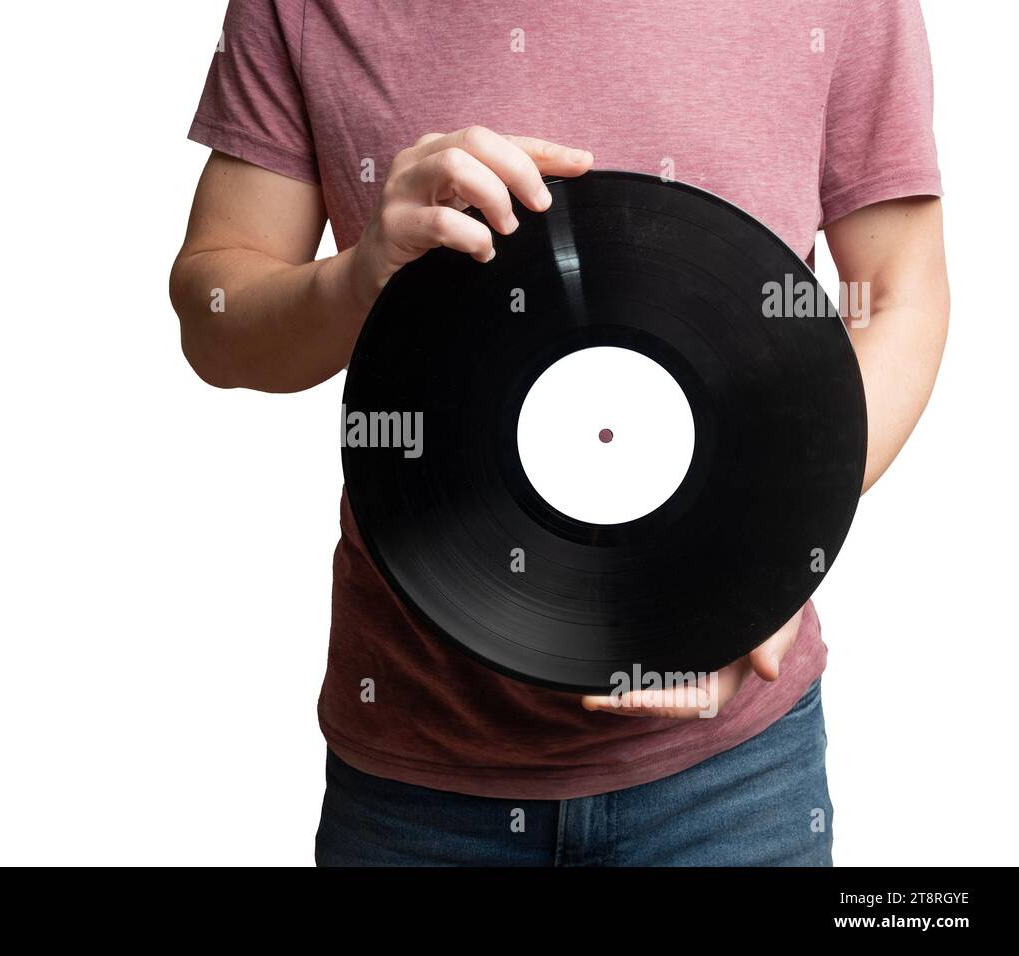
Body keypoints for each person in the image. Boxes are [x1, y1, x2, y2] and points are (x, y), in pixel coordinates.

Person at [169, 0, 948, 866]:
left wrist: (770, 564)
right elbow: (214, 313)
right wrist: (357, 281)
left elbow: (898, 289)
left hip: (733, 783)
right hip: (415, 788)